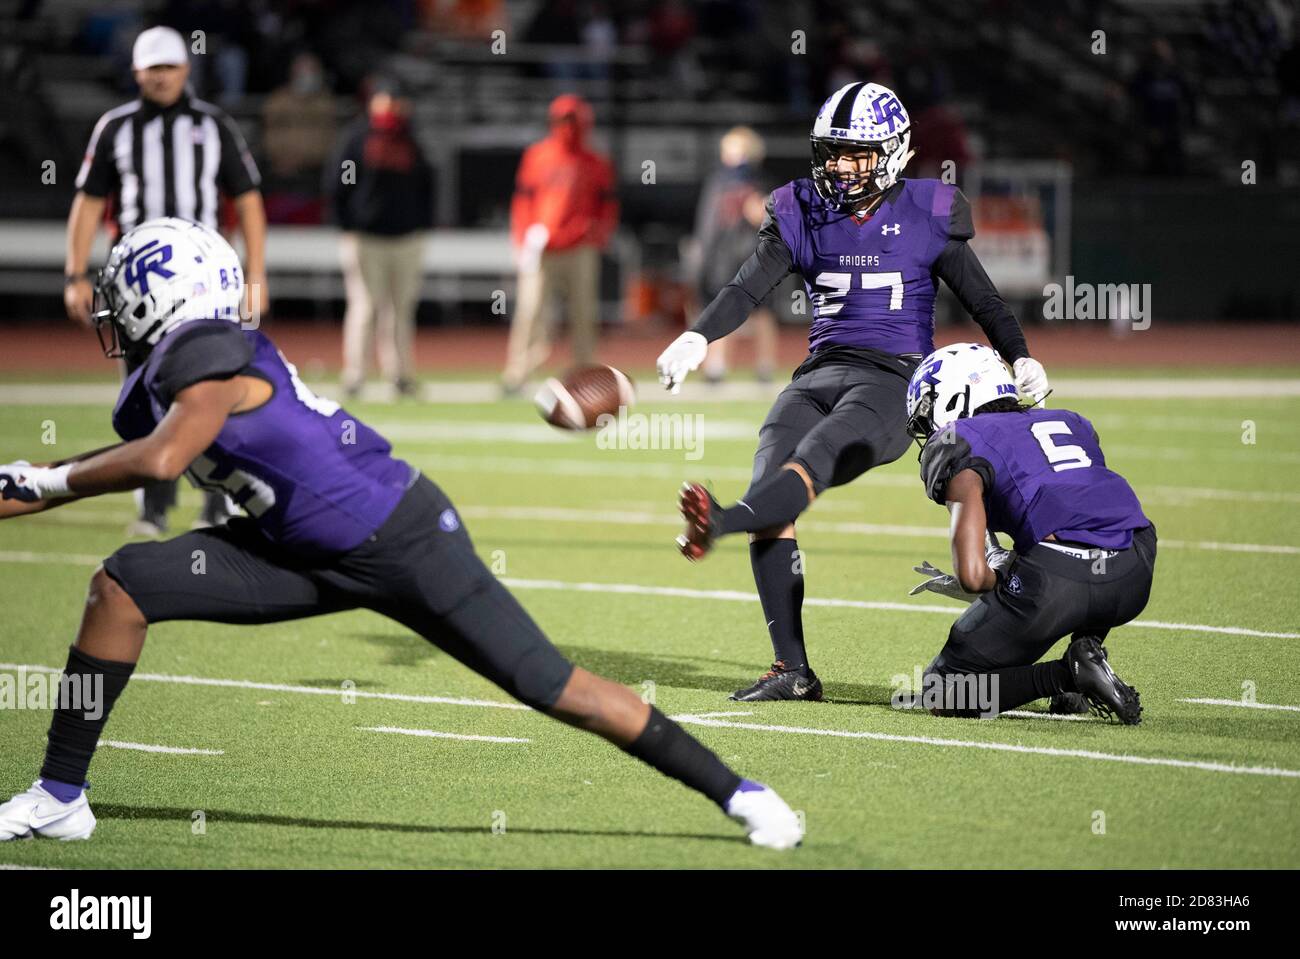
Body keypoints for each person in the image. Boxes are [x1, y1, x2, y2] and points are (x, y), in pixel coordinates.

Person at [0, 218, 801, 851]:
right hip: (297, 547)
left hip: (400, 535)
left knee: (556, 688)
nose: (110, 313)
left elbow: (165, 457)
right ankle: (60, 796)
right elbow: (139, 451)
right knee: (122, 586)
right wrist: (29, 486)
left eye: (121, 294)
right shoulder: (183, 361)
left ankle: (743, 792)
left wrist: (43, 478)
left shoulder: (209, 349)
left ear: (158, 297)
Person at [655, 82, 1051, 702]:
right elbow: (743, 290)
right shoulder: (802, 208)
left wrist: (1020, 355)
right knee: (773, 482)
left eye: (854, 154)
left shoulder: (928, 210)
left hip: (894, 382)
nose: (838, 167)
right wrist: (697, 338)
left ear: (892, 152)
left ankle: (723, 522)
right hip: (817, 373)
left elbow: (984, 299)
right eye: (831, 152)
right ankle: (792, 670)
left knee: (809, 462)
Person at [64, 24, 268, 536]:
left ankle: (219, 504)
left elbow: (247, 200)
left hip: (202, 282)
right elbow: (88, 201)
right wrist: (75, 272)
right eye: (152, 67)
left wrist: (257, 274)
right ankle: (153, 507)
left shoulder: (214, 125)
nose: (161, 76)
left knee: (212, 386)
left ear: (186, 69)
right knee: (146, 393)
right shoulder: (115, 126)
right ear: (136, 71)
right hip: (138, 286)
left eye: (169, 66)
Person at [902, 343, 1155, 723]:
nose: (929, 430)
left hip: (1059, 581)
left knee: (942, 689)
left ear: (955, 397)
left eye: (927, 416)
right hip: (1135, 566)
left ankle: (1066, 675)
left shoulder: (961, 441)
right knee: (1083, 543)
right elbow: (1087, 513)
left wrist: (1001, 577)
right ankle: (1087, 653)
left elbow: (973, 577)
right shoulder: (1072, 422)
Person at [502, 94, 619, 395]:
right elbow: (523, 201)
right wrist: (522, 238)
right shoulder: (537, 156)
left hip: (580, 248)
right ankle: (517, 373)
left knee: (583, 315)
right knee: (530, 310)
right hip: (543, 248)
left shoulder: (596, 162)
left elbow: (607, 205)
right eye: (564, 121)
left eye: (574, 121)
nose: (569, 127)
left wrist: (597, 234)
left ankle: (584, 376)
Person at [326, 77, 434, 399]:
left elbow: (427, 186)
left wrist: (420, 226)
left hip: (405, 238)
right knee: (365, 306)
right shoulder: (357, 138)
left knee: (400, 310)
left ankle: (400, 375)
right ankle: (355, 375)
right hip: (366, 238)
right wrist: (348, 226)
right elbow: (337, 184)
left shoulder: (411, 141)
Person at [687, 126, 777, 384]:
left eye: (734, 147)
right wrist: (700, 249)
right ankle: (717, 365)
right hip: (721, 254)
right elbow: (707, 222)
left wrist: (756, 205)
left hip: (752, 252)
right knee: (721, 305)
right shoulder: (718, 180)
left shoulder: (758, 181)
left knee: (761, 311)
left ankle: (765, 365)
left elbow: (762, 213)